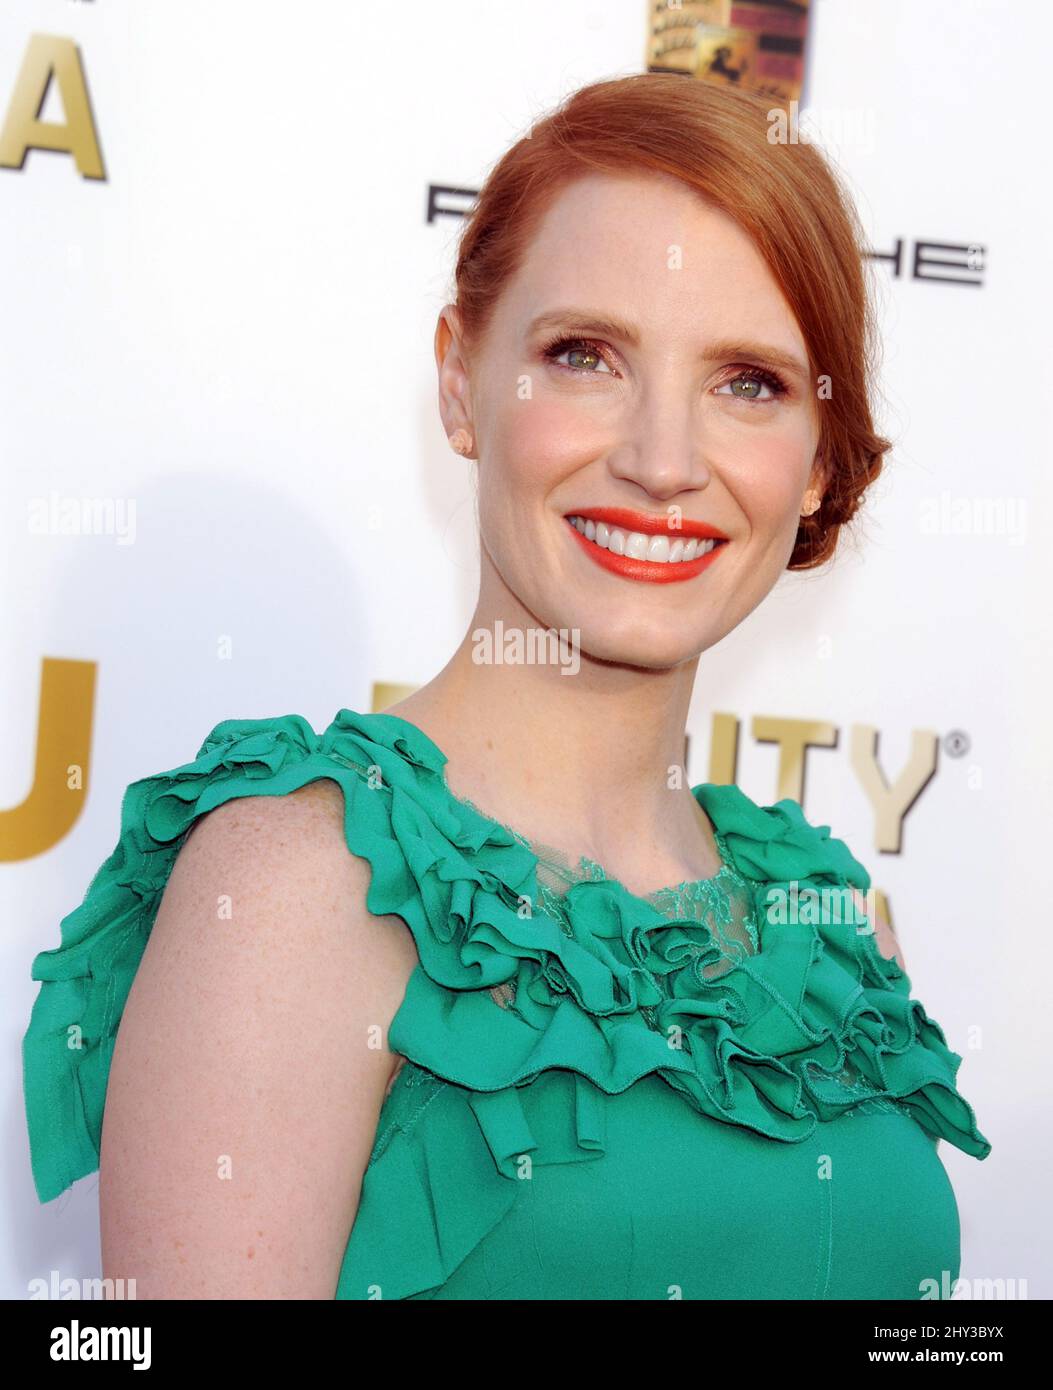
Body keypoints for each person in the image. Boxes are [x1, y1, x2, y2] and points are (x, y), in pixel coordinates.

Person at [22, 73, 991, 1301]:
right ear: (459, 380)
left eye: (748, 380)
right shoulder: (303, 884)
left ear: (815, 458)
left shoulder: (835, 925)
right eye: (583, 356)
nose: (660, 459)